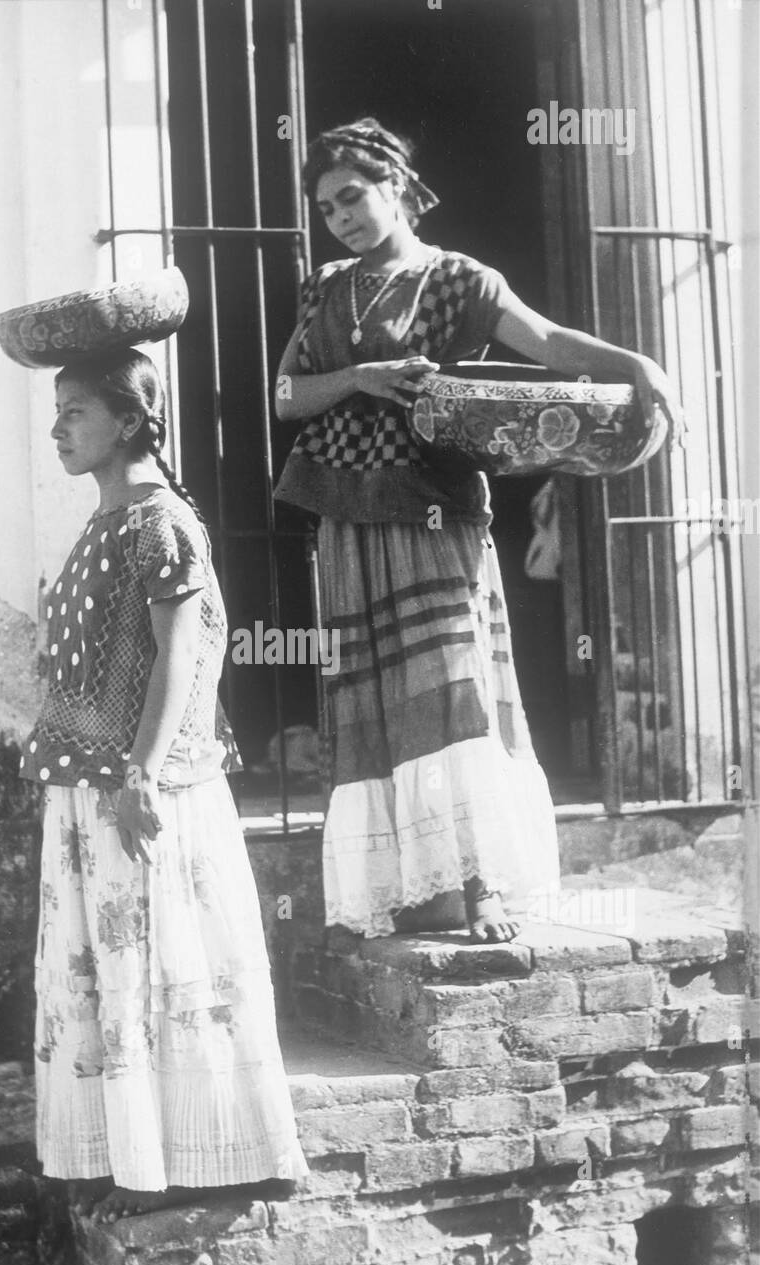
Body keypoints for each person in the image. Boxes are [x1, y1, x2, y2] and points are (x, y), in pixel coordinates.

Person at [274, 118, 683, 944]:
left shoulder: (459, 280)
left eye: (352, 196)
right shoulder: (325, 287)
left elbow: (549, 343)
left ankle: (484, 885)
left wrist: (639, 367)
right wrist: (360, 376)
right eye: (326, 208)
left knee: (456, 691)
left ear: (397, 188)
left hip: (433, 506)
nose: (341, 217)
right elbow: (287, 395)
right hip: (347, 516)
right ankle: (409, 886)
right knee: (379, 702)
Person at [19, 348, 307, 1219]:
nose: (59, 425)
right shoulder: (105, 522)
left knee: (163, 969)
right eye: (58, 408)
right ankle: (133, 1154)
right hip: (89, 787)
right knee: (109, 975)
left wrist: (140, 773)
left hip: (142, 793)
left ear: (132, 422)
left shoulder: (158, 522)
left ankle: (196, 1161)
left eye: (76, 409)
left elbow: (184, 657)